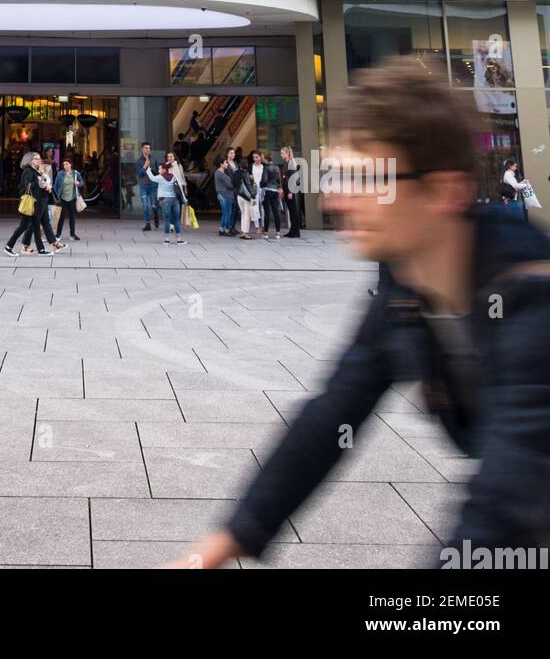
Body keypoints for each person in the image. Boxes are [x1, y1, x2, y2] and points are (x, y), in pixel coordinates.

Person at [171, 57, 550, 571]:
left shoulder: (532, 297)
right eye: (338, 175)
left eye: (367, 177)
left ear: (443, 190)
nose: (336, 198)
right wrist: (221, 544)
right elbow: (334, 412)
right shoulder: (406, 282)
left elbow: (508, 505)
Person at [4, 152, 49, 257]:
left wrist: (44, 181)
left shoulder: (35, 171)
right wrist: (38, 181)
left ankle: (41, 249)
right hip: (30, 202)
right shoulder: (28, 171)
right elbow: (27, 186)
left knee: (35, 226)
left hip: (34, 203)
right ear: (30, 160)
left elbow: (42, 184)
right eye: (37, 159)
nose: (40, 161)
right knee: (23, 226)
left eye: (40, 158)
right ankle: (8, 246)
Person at [156, 157, 185, 244]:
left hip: (165, 200)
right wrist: (184, 199)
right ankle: (178, 239)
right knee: (176, 219)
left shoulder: (161, 177)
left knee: (167, 220)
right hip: (175, 200)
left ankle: (166, 239)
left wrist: (148, 169)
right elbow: (179, 189)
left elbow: (158, 188)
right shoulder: (173, 177)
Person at [54, 157, 83, 240]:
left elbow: (82, 183)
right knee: (61, 217)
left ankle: (72, 234)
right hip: (62, 198)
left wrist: (78, 183)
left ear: (71, 164)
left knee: (72, 216)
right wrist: (55, 198)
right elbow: (56, 186)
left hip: (72, 198)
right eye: (64, 164)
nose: (65, 166)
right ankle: (58, 234)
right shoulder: (60, 174)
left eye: (67, 164)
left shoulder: (76, 174)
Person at [260, 150, 284, 239]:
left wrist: (260, 183)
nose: (262, 159)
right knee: (276, 212)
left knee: (267, 212)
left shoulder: (266, 168)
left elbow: (264, 181)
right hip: (275, 191)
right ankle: (278, 233)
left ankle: (265, 233)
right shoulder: (277, 167)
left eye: (263, 158)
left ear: (266, 159)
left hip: (268, 191)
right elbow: (279, 181)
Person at [136, 142, 159, 231]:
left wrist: (151, 169)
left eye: (149, 148)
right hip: (143, 186)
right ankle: (147, 224)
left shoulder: (154, 159)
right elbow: (139, 174)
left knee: (154, 205)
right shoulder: (139, 161)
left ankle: (156, 218)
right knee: (145, 205)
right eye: (146, 148)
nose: (148, 150)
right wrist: (145, 166)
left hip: (153, 186)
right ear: (142, 149)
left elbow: (158, 173)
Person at [280, 145, 301, 237]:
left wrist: (290, 192)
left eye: (282, 153)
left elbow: (293, 178)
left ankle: (296, 232)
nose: (281, 155)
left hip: (290, 191)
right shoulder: (286, 163)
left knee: (293, 211)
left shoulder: (291, 163)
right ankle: (292, 230)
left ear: (287, 153)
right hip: (286, 189)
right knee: (291, 211)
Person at [215, 155, 236, 236]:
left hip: (223, 194)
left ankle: (222, 228)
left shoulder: (220, 172)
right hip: (225, 195)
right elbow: (229, 185)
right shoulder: (220, 173)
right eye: (225, 163)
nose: (227, 164)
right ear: (221, 164)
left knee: (225, 213)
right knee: (228, 213)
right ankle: (226, 229)